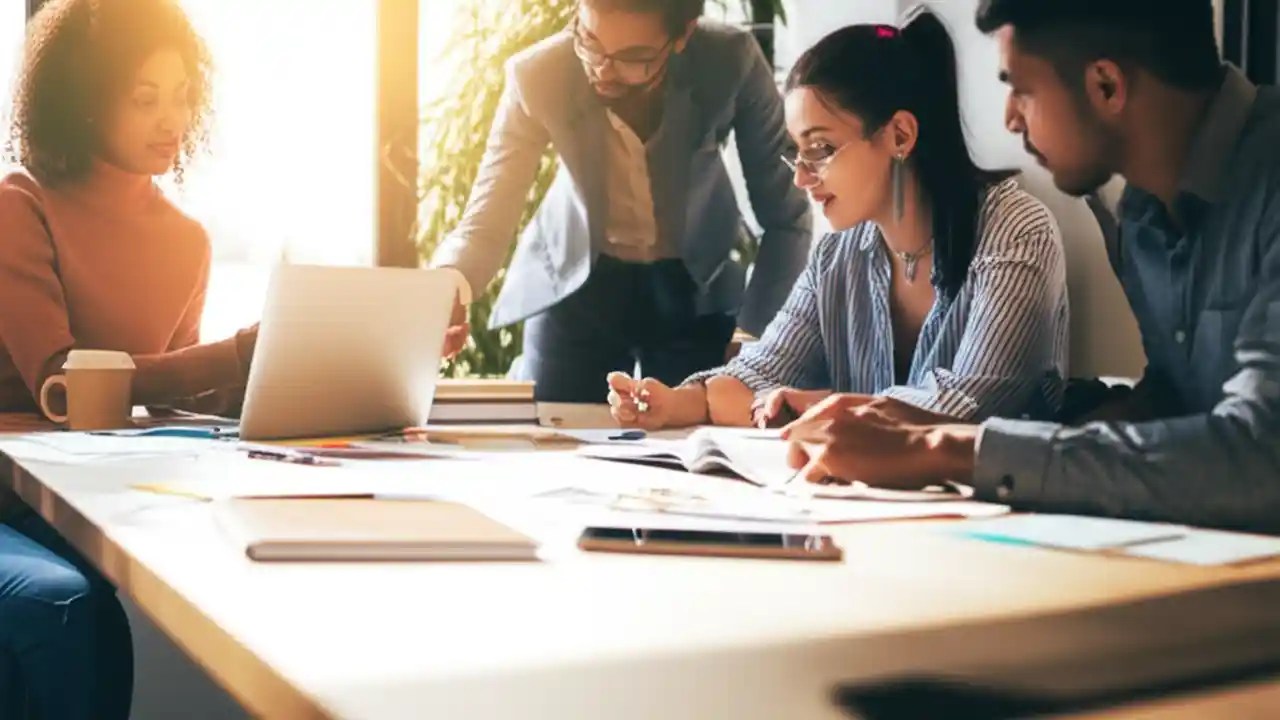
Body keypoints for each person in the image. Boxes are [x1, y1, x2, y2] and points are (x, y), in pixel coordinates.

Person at [782, 0, 1280, 534]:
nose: (1010, 118)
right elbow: (1177, 402)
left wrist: (942, 448)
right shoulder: (1138, 210)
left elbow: (1262, 455)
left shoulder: (1265, 183)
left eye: (1021, 89)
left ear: (1106, 86)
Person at [607, 9, 1068, 432]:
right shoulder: (837, 257)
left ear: (900, 135)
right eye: (797, 153)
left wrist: (824, 405)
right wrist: (674, 402)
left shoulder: (1013, 230)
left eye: (821, 149)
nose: (803, 179)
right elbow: (758, 375)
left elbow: (974, 402)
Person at [0, 0, 255, 715]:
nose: (171, 119)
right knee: (72, 613)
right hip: (10, 501)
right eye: (145, 99)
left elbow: (173, 401)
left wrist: (278, 370)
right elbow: (62, 383)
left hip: (94, 499)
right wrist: (230, 355)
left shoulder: (188, 240)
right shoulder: (20, 205)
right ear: (84, 104)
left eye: (181, 95)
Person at [430, 0, 812, 402]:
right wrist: (448, 286)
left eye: (634, 57)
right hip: (577, 284)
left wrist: (753, 337)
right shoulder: (538, 74)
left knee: (697, 441)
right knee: (552, 435)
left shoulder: (729, 61)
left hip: (694, 285)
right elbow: (486, 218)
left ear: (684, 34)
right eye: (589, 41)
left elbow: (787, 217)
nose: (601, 69)